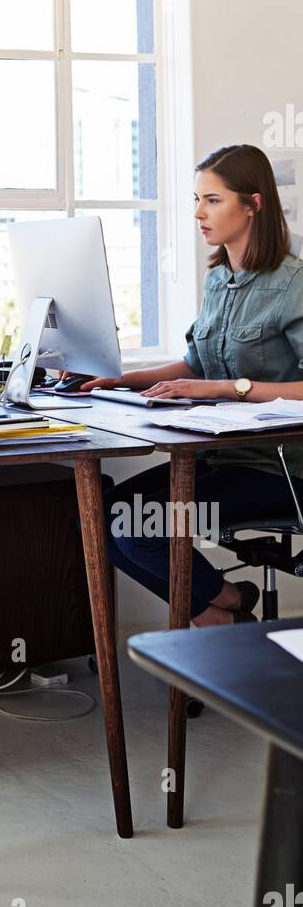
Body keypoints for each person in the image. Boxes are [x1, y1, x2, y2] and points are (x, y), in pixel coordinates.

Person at [77, 143, 303, 626]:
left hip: (279, 473)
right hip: (217, 459)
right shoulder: (221, 280)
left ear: (254, 204)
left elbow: (219, 383)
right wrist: (120, 378)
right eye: (196, 199)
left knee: (137, 527)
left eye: (213, 200)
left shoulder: (294, 284)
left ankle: (216, 617)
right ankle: (230, 602)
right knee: (96, 514)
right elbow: (195, 364)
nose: (198, 213)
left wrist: (227, 388)